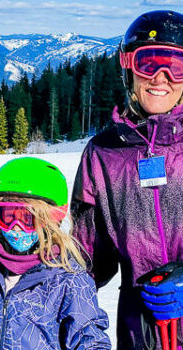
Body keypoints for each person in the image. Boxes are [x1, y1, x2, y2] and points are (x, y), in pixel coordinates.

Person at [71, 10, 183, 350]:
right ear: (128, 68)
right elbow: (87, 261)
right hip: (139, 336)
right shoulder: (104, 154)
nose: (160, 77)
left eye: (175, 65)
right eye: (149, 63)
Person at [0, 157, 111, 350]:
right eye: (6, 216)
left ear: (53, 218)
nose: (16, 227)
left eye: (27, 217)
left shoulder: (68, 279)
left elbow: (90, 340)